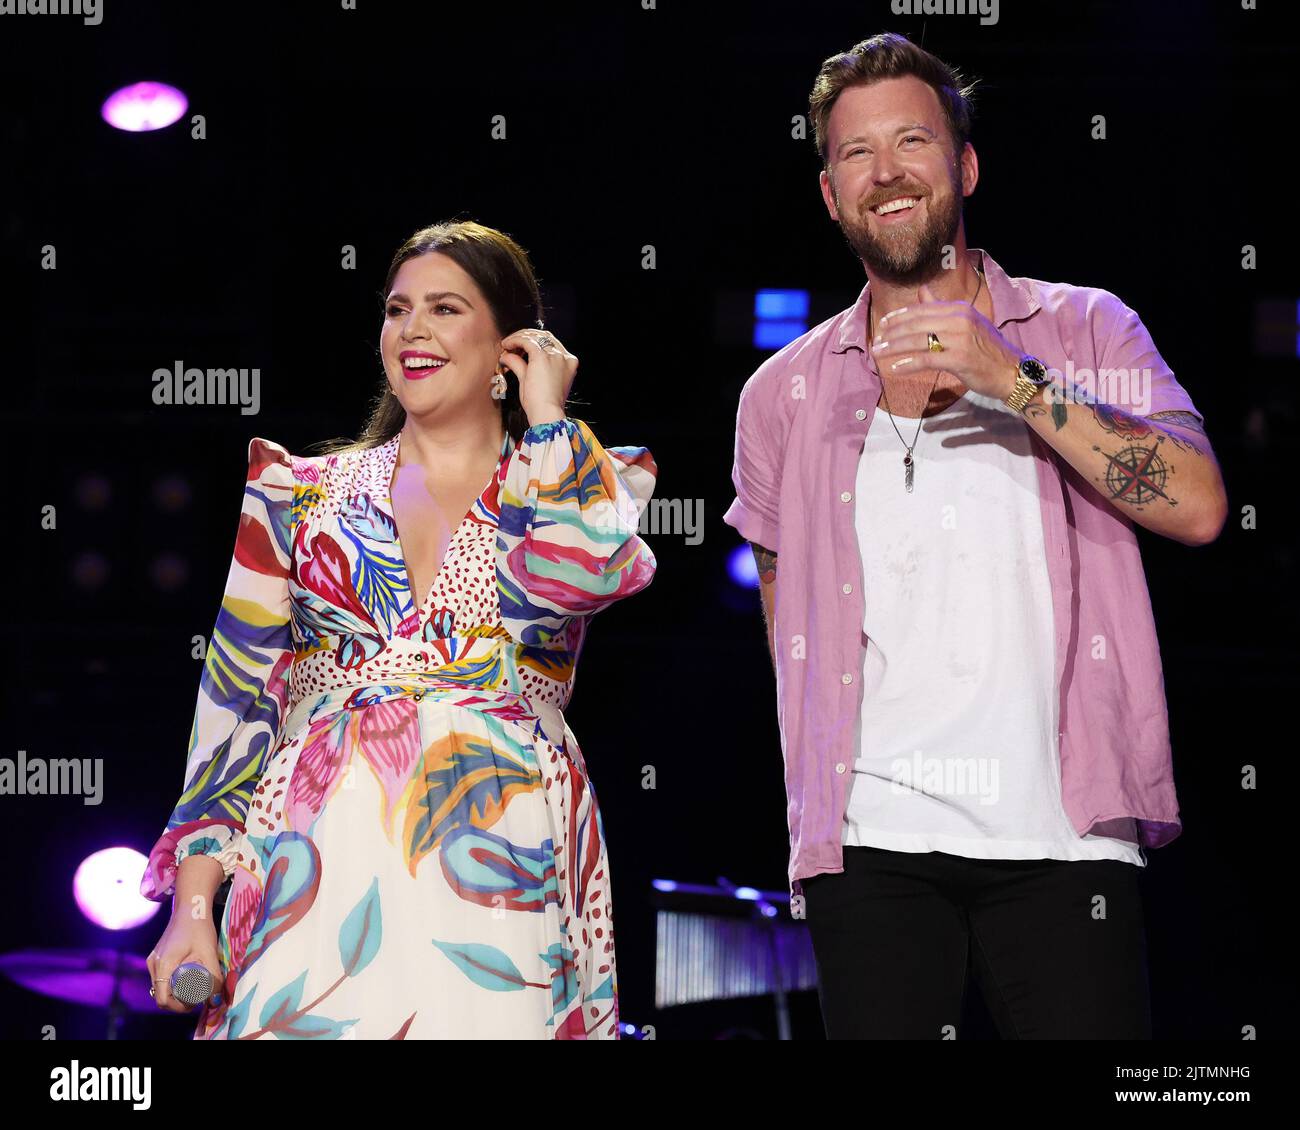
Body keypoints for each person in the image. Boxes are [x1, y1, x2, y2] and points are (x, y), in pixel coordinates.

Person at [722, 33, 1228, 1040]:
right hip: (869, 845)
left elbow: (1199, 505)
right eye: (856, 153)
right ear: (829, 193)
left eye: (912, 139)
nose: (886, 171)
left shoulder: (1087, 327)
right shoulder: (781, 392)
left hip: (1063, 835)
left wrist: (1015, 379)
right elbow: (781, 606)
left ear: (964, 166)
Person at [140, 220, 657, 1039]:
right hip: (311, 856)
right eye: (396, 309)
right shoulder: (295, 492)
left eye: (446, 309)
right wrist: (193, 904)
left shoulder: (576, 478)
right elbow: (235, 708)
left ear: (511, 346)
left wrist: (549, 417)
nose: (412, 329)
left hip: (501, 856)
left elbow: (578, 579)